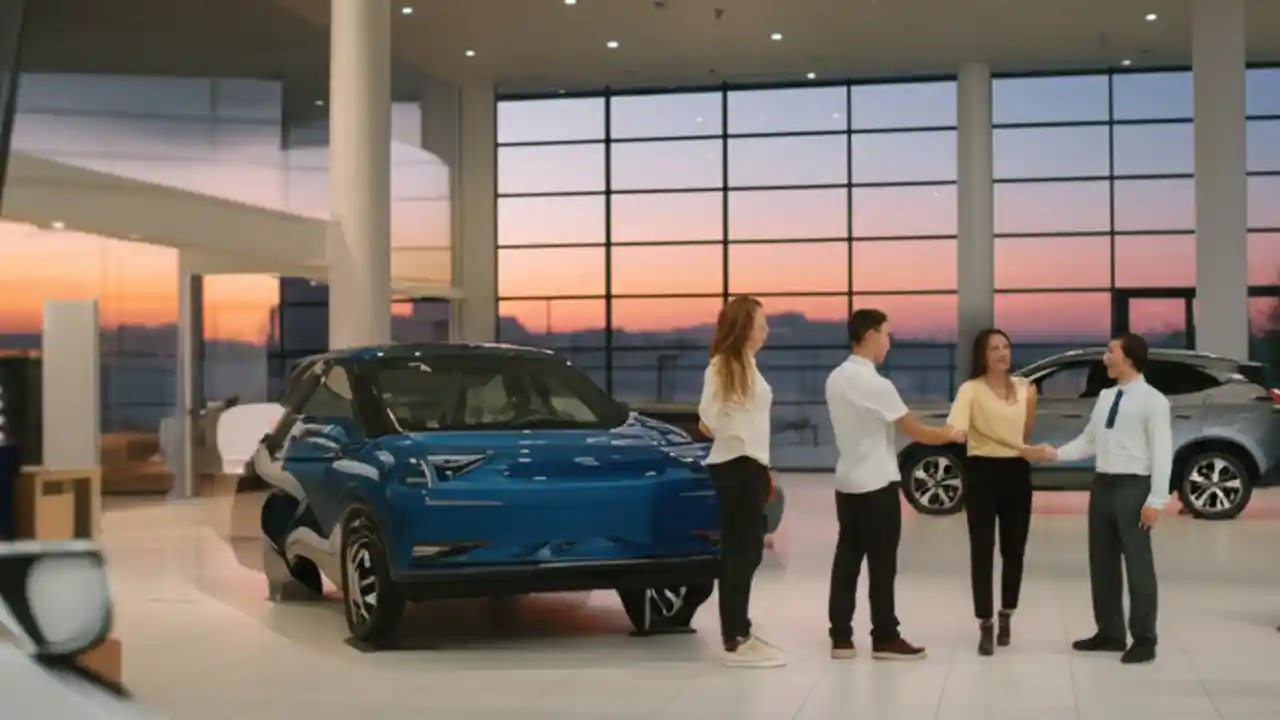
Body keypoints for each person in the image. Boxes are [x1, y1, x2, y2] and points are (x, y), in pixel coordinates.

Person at [825, 308, 966, 661]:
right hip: (877, 484)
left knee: (846, 560)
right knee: (882, 565)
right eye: (887, 334)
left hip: (847, 481)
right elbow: (916, 430)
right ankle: (885, 636)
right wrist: (951, 434)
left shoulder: (835, 379)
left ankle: (841, 638)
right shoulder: (877, 385)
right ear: (870, 335)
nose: (889, 342)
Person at [1023, 332, 1171, 665]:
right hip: (1103, 483)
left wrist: (1156, 501)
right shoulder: (1105, 397)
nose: (1105, 357)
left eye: (1110, 351)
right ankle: (1110, 632)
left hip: (1133, 486)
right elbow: (1088, 441)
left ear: (1128, 357)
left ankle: (1144, 638)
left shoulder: (1154, 401)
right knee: (1102, 561)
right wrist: (1054, 454)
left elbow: (1162, 454)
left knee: (1138, 564)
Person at [697, 295, 786, 668]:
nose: (766, 330)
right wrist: (736, 439)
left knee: (748, 551)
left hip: (750, 466)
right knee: (740, 552)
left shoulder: (747, 365)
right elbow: (706, 421)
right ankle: (734, 638)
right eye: (761, 323)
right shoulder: (722, 366)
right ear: (744, 327)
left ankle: (741, 631)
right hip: (735, 466)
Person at [946, 328, 1037, 656]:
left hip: (1017, 472)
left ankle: (1007, 613)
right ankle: (985, 622)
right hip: (982, 472)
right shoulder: (970, 390)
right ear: (982, 355)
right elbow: (956, 426)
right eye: (994, 348)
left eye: (1005, 347)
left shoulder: (1027, 389)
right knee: (982, 549)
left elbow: (1024, 436)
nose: (1002, 353)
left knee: (1014, 549)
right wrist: (956, 432)